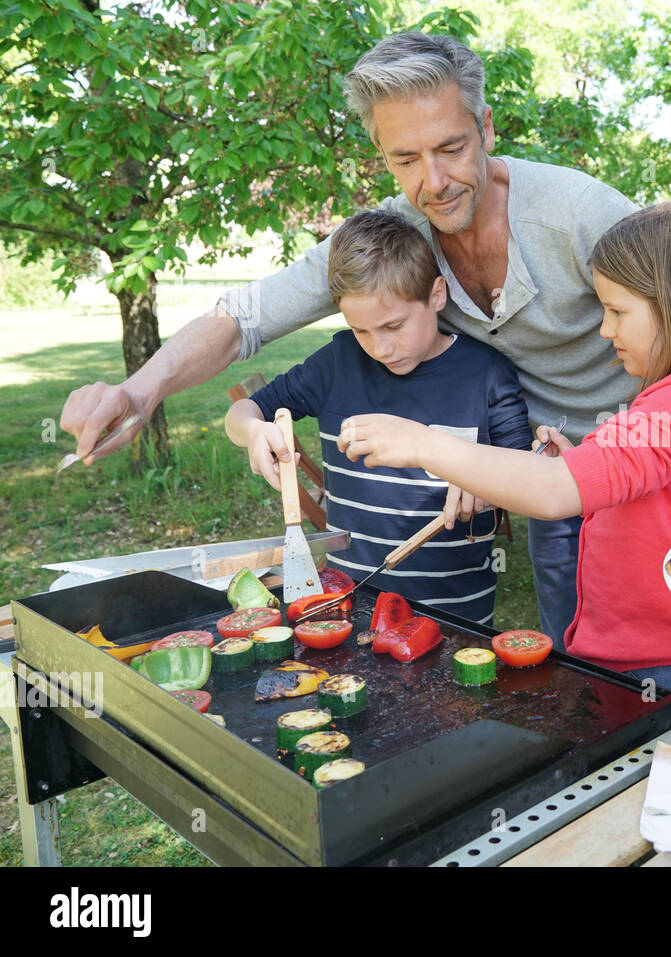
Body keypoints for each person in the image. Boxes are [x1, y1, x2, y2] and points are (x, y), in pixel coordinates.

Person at [59, 32, 639, 645]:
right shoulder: (394, 237)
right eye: (405, 159)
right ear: (381, 152)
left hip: (636, 452)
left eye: (451, 147)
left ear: (487, 129)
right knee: (579, 649)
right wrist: (140, 390)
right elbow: (245, 317)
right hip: (536, 472)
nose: (435, 181)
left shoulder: (577, 213)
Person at [332, 203, 671, 748]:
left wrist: (424, 444)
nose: (604, 329)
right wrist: (574, 459)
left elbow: (554, 493)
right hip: (668, 660)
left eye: (617, 311)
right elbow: (627, 485)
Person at [225, 210, 532, 623]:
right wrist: (252, 431)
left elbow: (530, 475)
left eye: (393, 325)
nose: (380, 347)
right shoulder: (337, 364)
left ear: (436, 295)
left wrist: (489, 482)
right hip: (352, 604)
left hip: (457, 615)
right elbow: (243, 411)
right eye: (362, 330)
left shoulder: (487, 374)